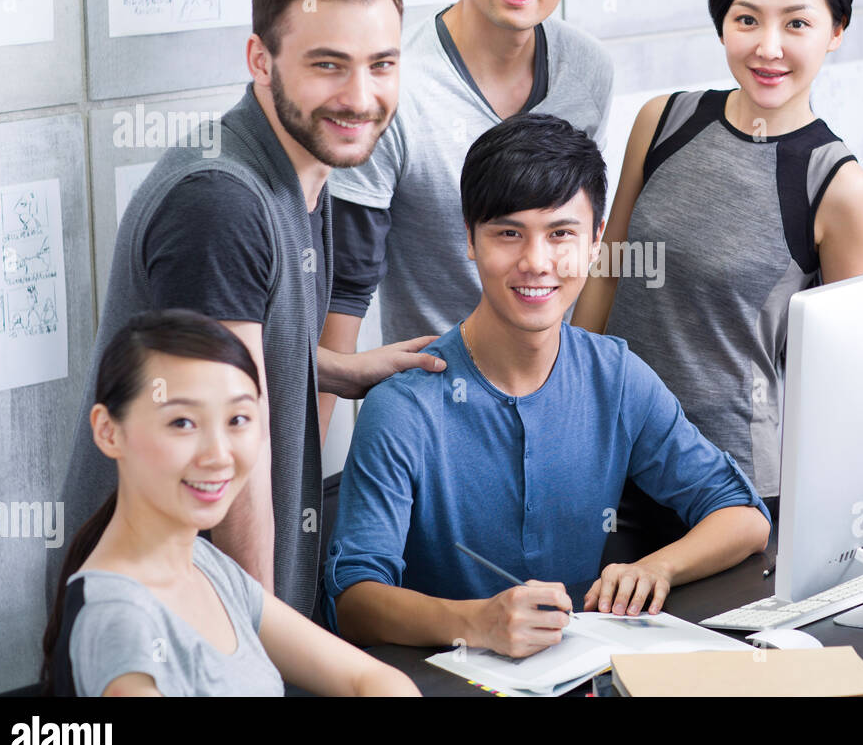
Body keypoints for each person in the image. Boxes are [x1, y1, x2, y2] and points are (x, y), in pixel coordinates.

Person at [58, 0, 443, 621]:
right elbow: (224, 455)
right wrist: (263, 648)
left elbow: (235, 344)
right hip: (169, 622)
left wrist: (330, 369)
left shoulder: (304, 165)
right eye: (329, 66)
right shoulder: (224, 202)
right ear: (260, 60)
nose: (360, 97)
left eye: (381, 65)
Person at [324, 115, 770, 658]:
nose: (536, 262)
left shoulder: (616, 375)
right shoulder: (404, 405)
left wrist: (657, 567)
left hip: (578, 670)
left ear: (596, 240)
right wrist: (478, 622)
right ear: (469, 238)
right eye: (508, 233)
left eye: (561, 233)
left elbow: (742, 516)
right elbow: (355, 599)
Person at [573, 0, 863, 511]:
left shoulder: (837, 185)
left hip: (732, 486)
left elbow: (837, 376)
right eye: (747, 19)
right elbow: (608, 272)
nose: (768, 47)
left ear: (835, 32)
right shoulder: (663, 120)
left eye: (797, 23)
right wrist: (567, 409)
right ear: (722, 24)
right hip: (612, 456)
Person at [320, 0, 613, 440]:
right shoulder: (393, 90)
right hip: (435, 412)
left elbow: (576, 245)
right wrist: (301, 506)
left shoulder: (589, 71)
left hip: (556, 409)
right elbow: (343, 302)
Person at [43, 310, 419, 696]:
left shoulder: (207, 566)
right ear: (109, 432)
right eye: (183, 423)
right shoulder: (118, 621)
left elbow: (371, 679)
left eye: (238, 419)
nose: (219, 454)